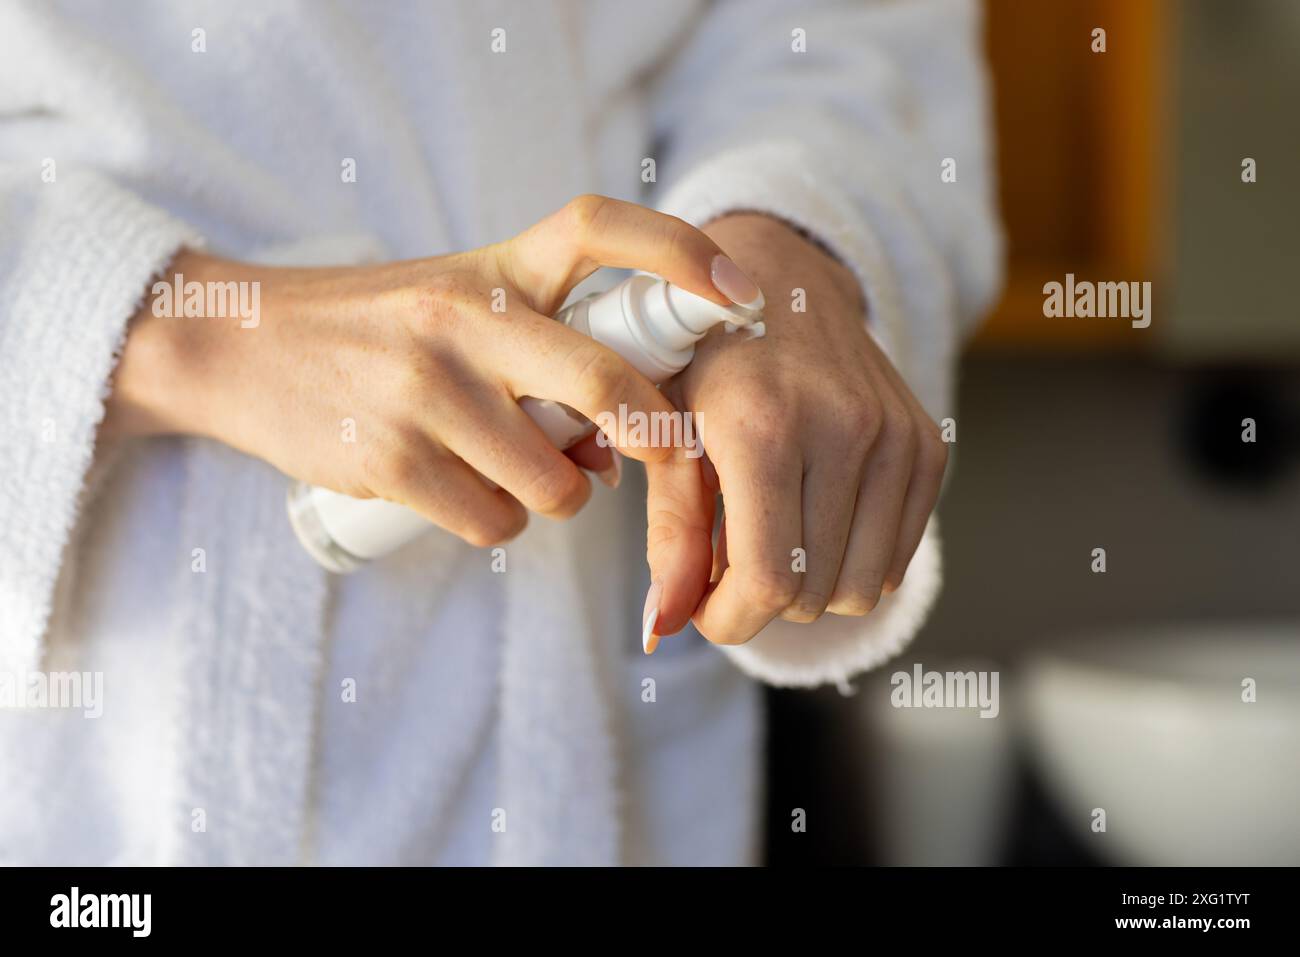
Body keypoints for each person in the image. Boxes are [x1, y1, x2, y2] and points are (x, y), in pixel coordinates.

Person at [0, 0, 1002, 865]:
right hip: (85, 746)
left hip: (585, 713)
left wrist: (791, 239)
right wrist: (169, 332)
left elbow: (834, 34)